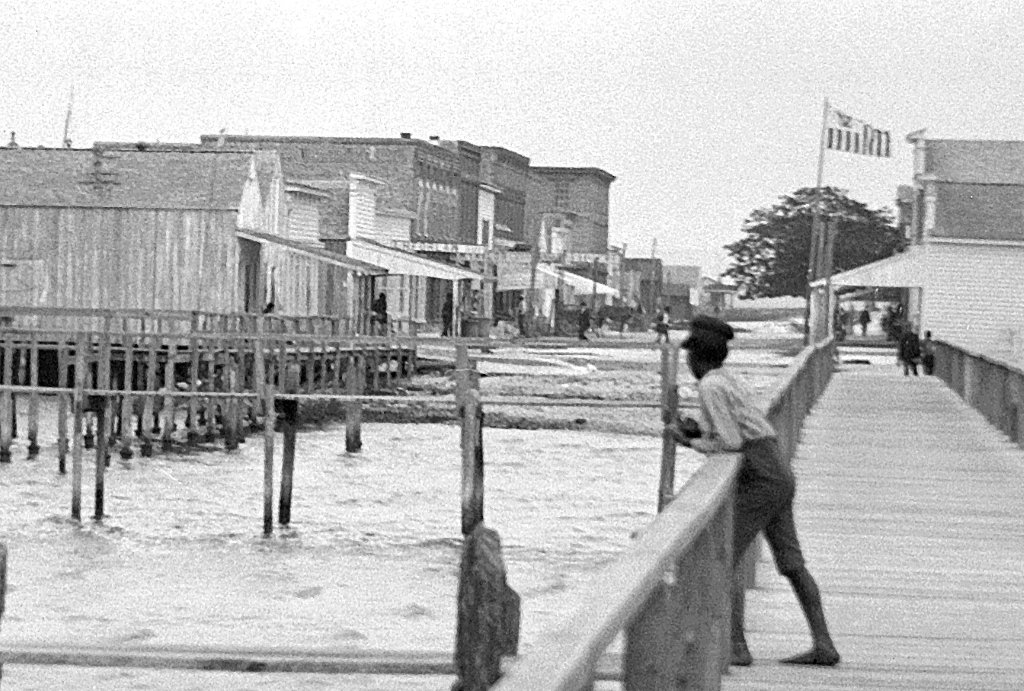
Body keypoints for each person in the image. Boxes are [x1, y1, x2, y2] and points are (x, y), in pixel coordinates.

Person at [672, 315, 841, 668]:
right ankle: (823, 642)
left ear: (695, 358)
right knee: (792, 563)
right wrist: (700, 432)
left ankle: (736, 645)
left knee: (725, 559)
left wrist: (690, 442)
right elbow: (737, 428)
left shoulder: (709, 387)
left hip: (759, 475)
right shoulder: (728, 380)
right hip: (777, 469)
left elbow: (732, 442)